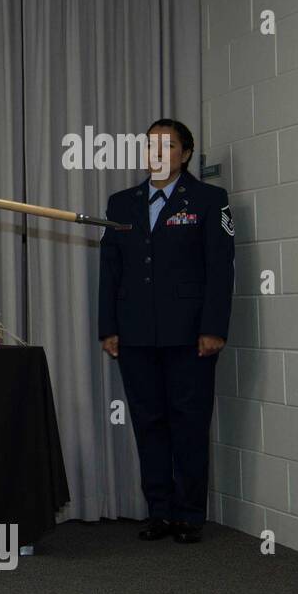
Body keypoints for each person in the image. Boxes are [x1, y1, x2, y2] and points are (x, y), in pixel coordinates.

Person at [98, 119, 234, 544]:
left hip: (191, 336)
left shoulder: (210, 200)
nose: (157, 153)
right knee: (149, 424)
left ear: (186, 154)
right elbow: (110, 271)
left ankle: (190, 513)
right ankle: (159, 510)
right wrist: (109, 327)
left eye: (167, 145)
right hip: (136, 336)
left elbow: (220, 270)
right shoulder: (122, 203)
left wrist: (213, 327)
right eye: (150, 145)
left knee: (189, 424)